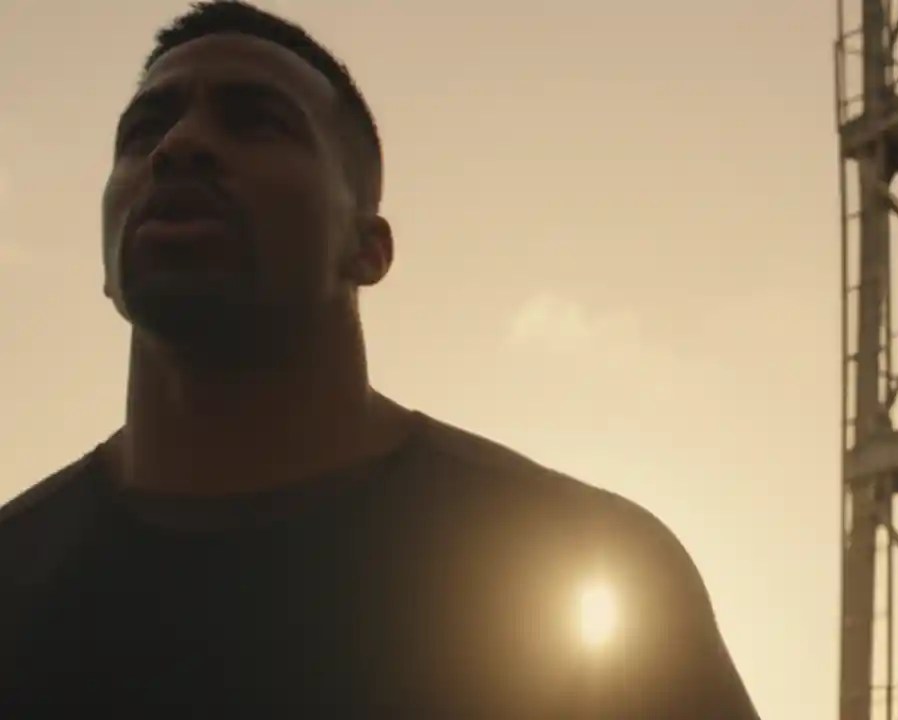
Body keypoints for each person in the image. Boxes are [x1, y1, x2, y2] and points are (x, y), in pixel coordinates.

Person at [0, 2, 759, 717]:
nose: (179, 146)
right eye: (145, 130)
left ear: (368, 247)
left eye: (257, 123)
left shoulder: (589, 573)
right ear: (105, 263)